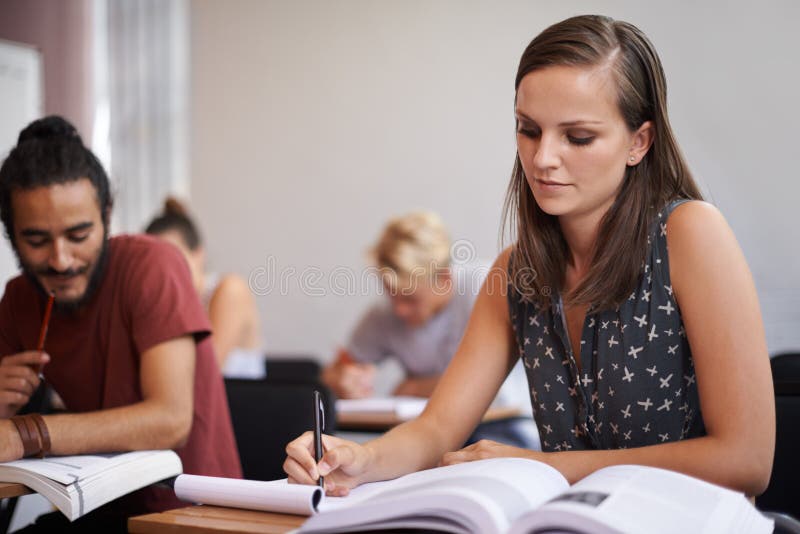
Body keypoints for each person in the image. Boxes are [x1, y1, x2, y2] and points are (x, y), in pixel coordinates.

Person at [285, 15, 774, 499]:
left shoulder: (690, 234)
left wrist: (544, 466)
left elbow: (747, 460)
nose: (543, 159)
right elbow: (436, 429)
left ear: (638, 142)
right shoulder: (515, 274)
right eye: (529, 130)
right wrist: (359, 460)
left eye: (577, 137)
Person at [0, 116, 241, 531]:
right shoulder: (20, 297)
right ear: (11, 235)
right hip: (98, 510)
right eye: (37, 240)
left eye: (79, 235)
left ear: (107, 215)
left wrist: (25, 432)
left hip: (192, 514)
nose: (61, 259)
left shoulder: (153, 265)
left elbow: (169, 419)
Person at [322, 211, 538, 448]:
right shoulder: (385, 312)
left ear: (445, 278)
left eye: (410, 299)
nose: (400, 310)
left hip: (508, 427)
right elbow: (335, 373)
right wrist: (343, 382)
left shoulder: (486, 286)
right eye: (392, 296)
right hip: (435, 432)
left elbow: (495, 392)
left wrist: (414, 387)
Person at [145, 198, 264, 378]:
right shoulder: (170, 303)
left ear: (199, 254)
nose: (167, 271)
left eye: (175, 258)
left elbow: (205, 372)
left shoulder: (230, 289)